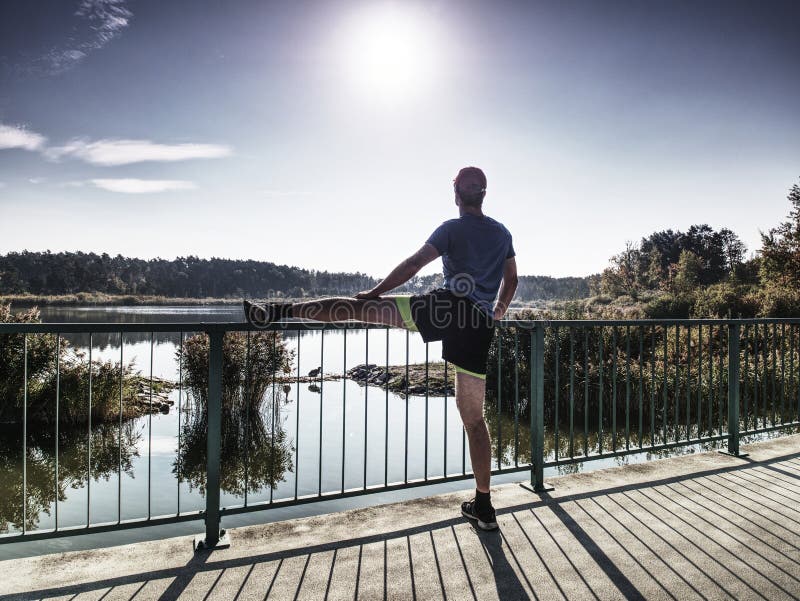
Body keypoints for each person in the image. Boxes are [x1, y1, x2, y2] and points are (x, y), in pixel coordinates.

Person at [244, 166, 517, 531]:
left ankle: (274, 313)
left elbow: (414, 263)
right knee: (474, 420)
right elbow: (511, 279)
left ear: (457, 194)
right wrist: (496, 311)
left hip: (446, 308)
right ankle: (484, 506)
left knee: (355, 309)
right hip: (479, 324)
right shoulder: (502, 233)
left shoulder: (452, 228)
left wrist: (376, 293)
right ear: (483, 194)